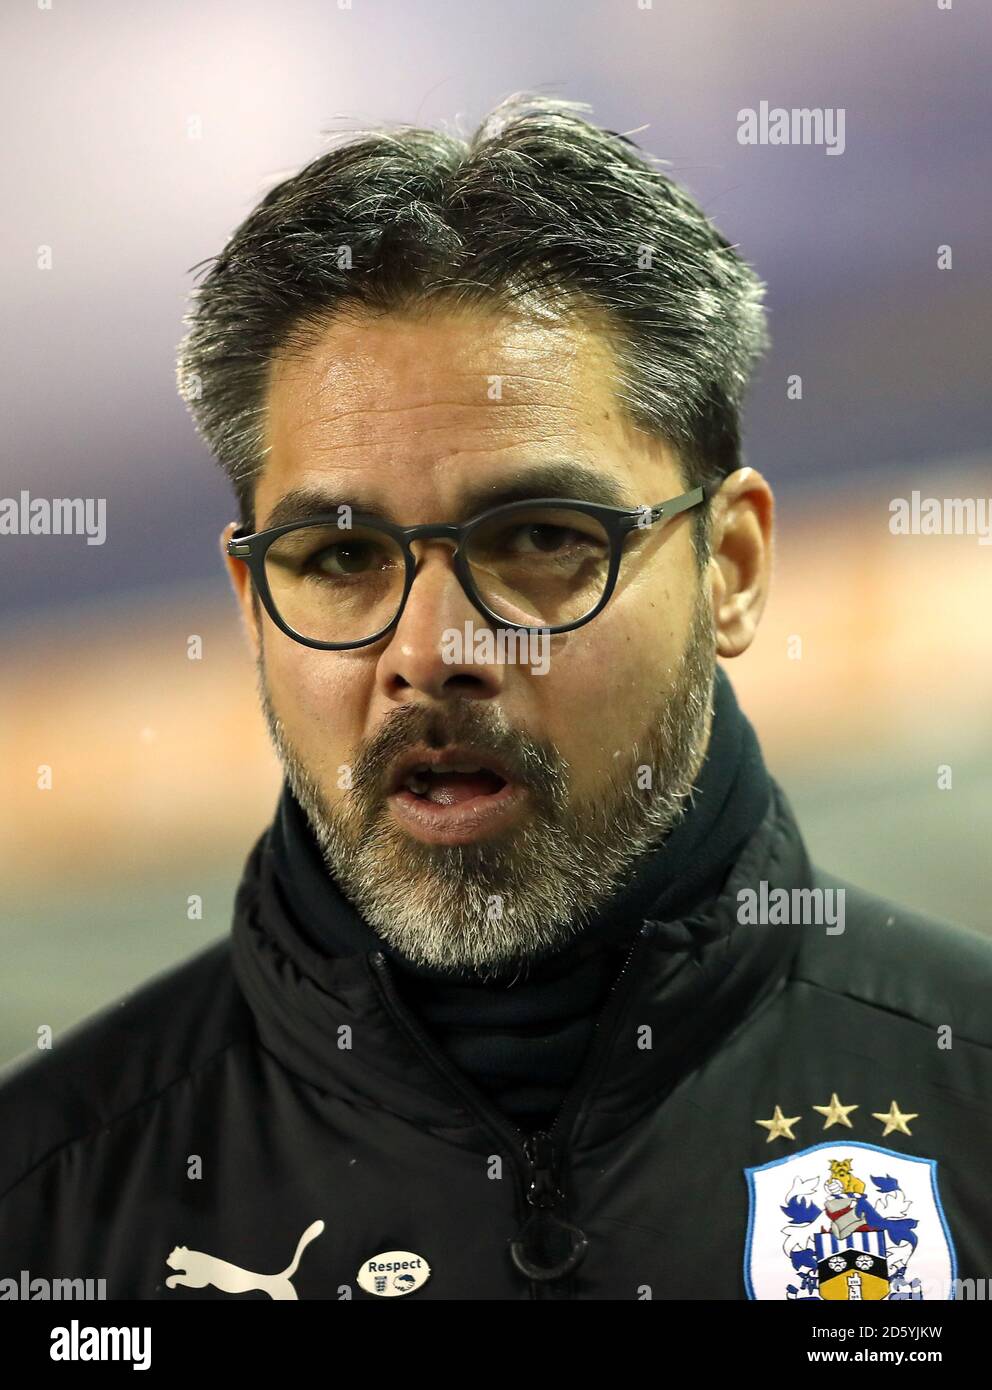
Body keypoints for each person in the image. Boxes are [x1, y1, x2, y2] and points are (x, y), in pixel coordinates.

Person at [2, 94, 990, 1303]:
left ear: (728, 567)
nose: (430, 649)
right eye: (340, 557)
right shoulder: (43, 1202)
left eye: (536, 536)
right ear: (252, 600)